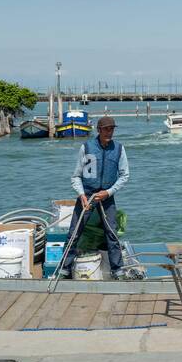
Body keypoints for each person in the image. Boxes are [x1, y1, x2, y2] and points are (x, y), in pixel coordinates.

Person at [62, 115, 131, 279]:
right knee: (74, 233)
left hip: (107, 197)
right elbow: (76, 176)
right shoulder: (86, 148)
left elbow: (124, 175)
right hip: (87, 196)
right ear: (98, 130)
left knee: (112, 233)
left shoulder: (119, 149)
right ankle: (65, 268)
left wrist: (109, 192)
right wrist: (82, 195)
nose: (109, 132)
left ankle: (117, 269)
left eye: (112, 129)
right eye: (106, 129)